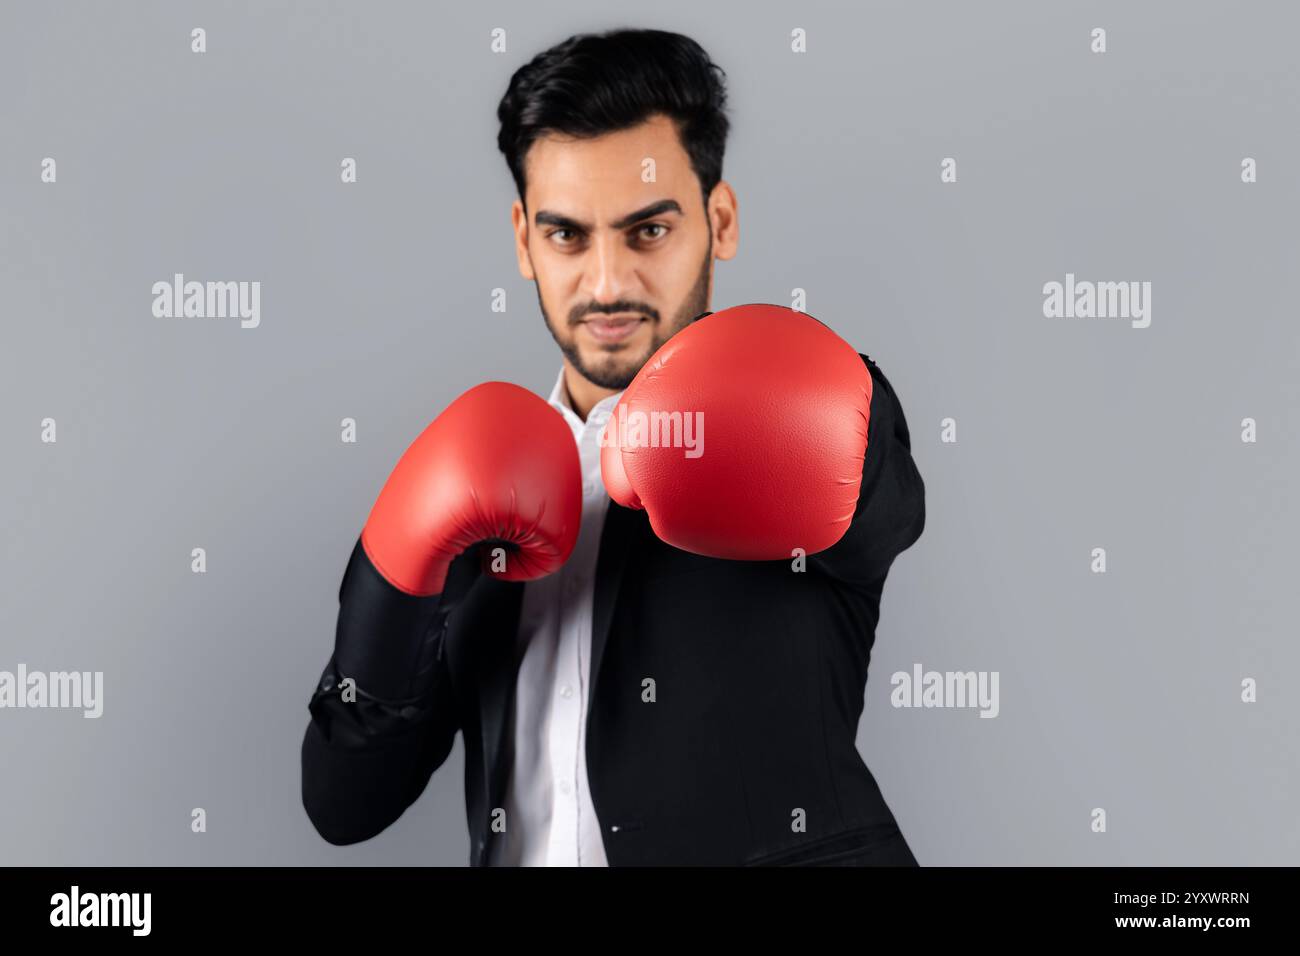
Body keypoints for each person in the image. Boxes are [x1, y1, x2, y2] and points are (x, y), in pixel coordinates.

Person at [300, 27, 926, 867]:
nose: (605, 283)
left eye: (647, 232)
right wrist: (396, 574)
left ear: (720, 220)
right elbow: (344, 801)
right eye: (567, 235)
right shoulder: (478, 481)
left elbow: (885, 500)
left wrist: (758, 421)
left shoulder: (793, 416)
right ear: (523, 239)